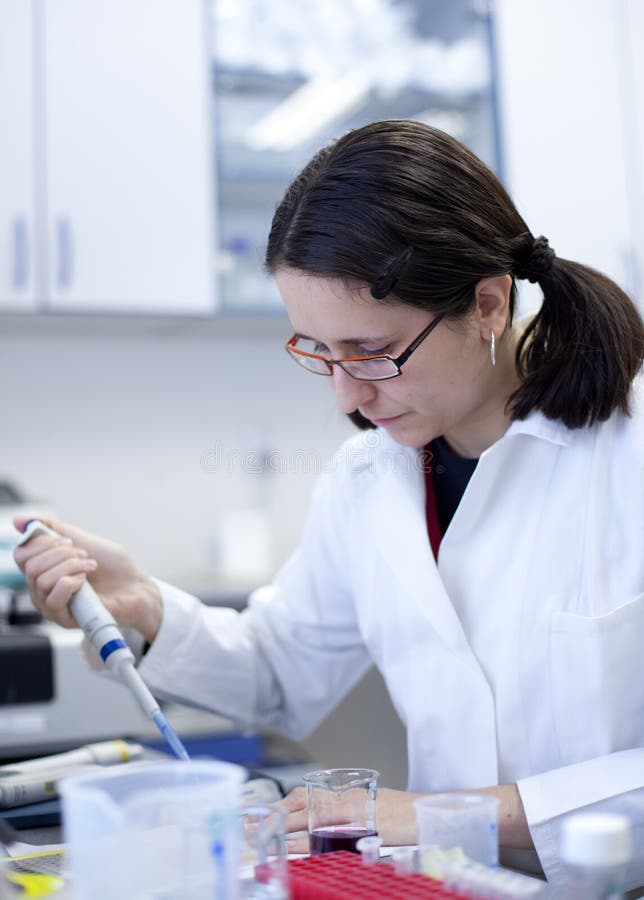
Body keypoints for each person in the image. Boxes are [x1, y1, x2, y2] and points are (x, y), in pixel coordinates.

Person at [13, 120, 644, 892]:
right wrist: (144, 608)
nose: (346, 394)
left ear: (487, 304)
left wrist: (454, 810)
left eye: (371, 351)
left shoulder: (626, 457)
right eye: (317, 351)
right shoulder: (366, 481)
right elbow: (280, 672)